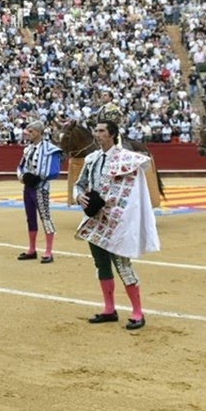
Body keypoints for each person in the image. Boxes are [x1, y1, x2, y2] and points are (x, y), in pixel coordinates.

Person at [73, 120, 159, 330]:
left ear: (112, 135)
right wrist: (79, 198)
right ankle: (109, 309)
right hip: (95, 219)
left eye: (102, 131)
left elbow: (132, 192)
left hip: (117, 221)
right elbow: (79, 184)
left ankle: (138, 312)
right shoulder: (92, 158)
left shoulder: (127, 159)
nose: (97, 134)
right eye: (96, 131)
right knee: (101, 265)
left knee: (123, 265)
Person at [16, 121, 63, 263]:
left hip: (41, 188)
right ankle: (32, 249)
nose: (28, 134)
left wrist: (37, 177)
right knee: (30, 217)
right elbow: (20, 166)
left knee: (45, 217)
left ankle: (49, 251)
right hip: (28, 187)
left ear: (38, 132)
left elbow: (54, 171)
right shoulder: (28, 149)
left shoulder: (50, 149)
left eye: (31, 132)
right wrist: (23, 177)